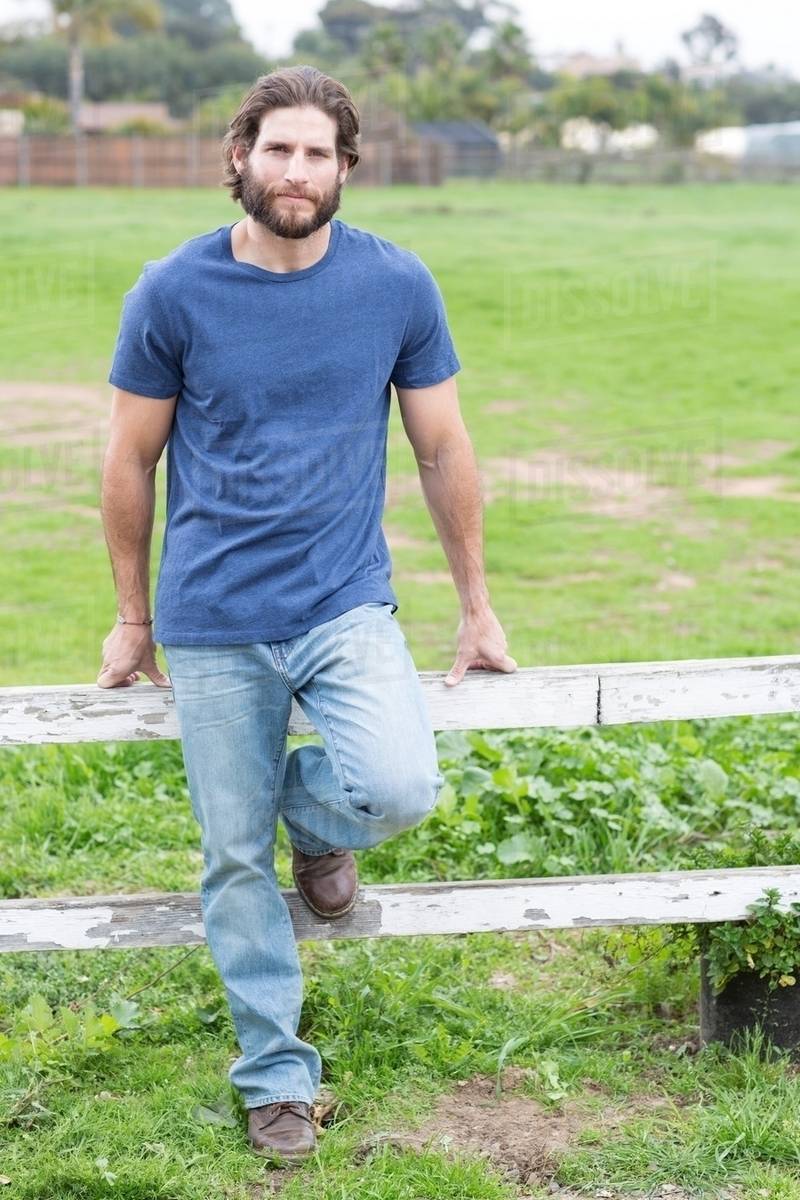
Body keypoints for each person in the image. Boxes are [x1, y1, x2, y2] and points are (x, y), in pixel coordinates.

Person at [97, 64, 516, 1163]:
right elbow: (130, 459)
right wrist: (133, 618)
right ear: (240, 156)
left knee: (398, 785)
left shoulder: (395, 284)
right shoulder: (172, 292)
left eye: (317, 153)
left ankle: (312, 817)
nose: (296, 170)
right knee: (231, 861)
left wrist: (476, 606)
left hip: (343, 602)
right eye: (277, 149)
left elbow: (441, 447)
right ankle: (275, 1077)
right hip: (212, 616)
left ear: (345, 167)